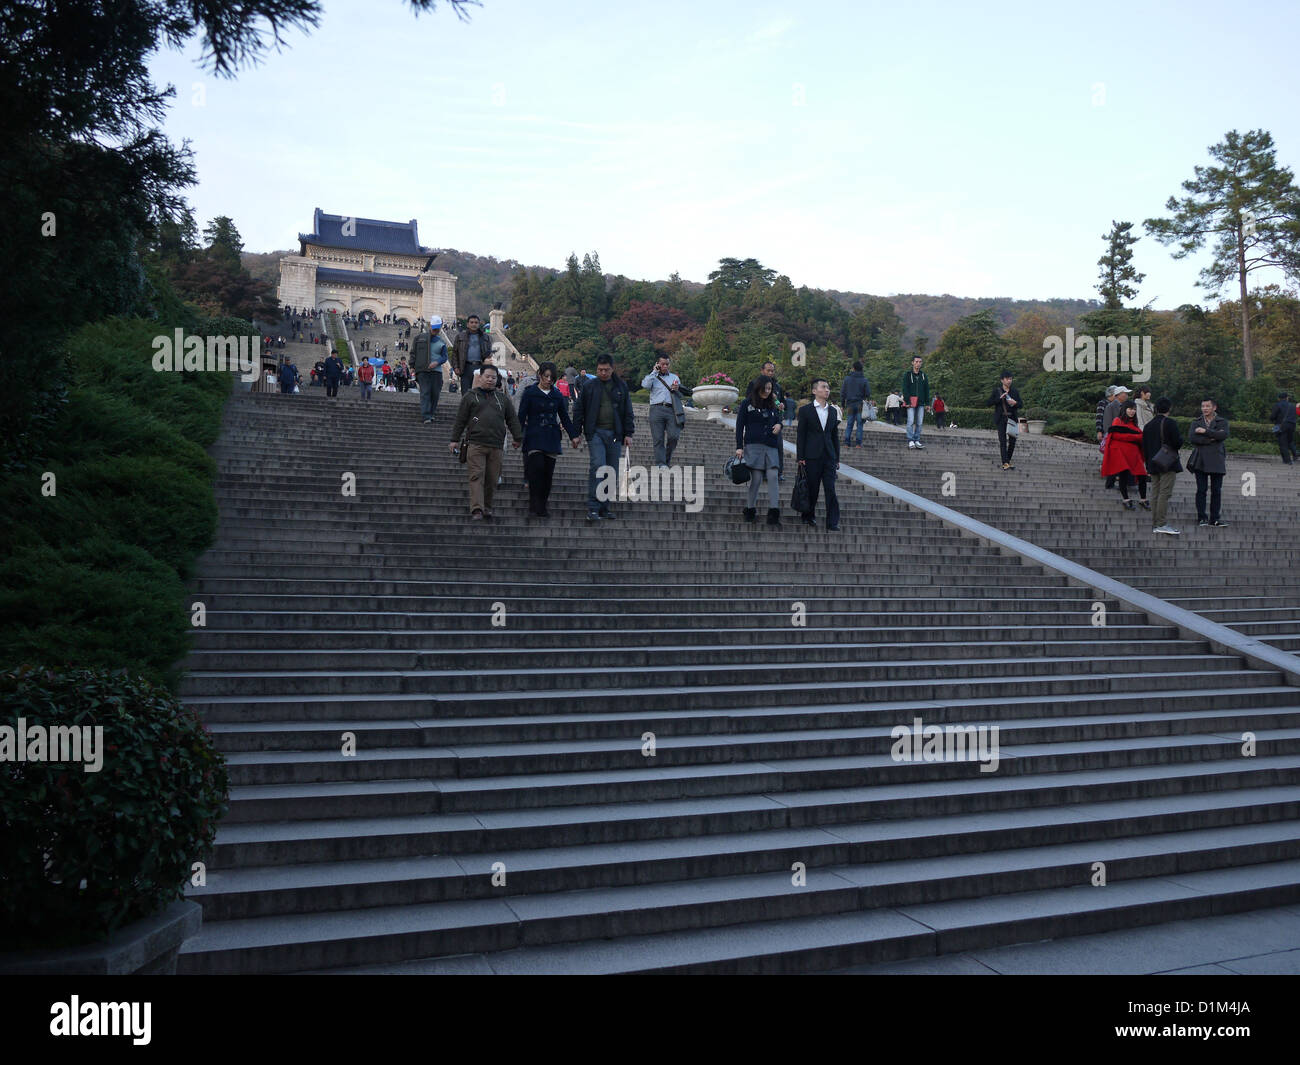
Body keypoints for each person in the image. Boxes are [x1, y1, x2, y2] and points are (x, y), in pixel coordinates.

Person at [447, 364, 522, 521]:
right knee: (476, 476)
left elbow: (512, 419)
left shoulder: (502, 399)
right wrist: (454, 440)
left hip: (496, 444)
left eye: (493, 377)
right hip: (476, 443)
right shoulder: (470, 396)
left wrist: (517, 437)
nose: (490, 379)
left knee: (492, 479)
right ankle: (477, 509)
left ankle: (487, 507)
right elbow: (460, 420)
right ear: (480, 377)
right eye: (487, 376)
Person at [572, 353, 635, 521]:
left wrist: (629, 433)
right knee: (598, 465)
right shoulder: (589, 386)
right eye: (600, 370)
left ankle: (604, 506)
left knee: (611, 471)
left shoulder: (621, 386)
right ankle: (593, 506)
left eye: (606, 370)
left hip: (615, 434)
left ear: (612, 369)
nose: (603, 373)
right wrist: (575, 433)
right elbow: (579, 410)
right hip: (595, 432)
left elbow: (628, 411)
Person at [517, 362, 580, 519]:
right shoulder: (530, 392)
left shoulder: (557, 395)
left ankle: (542, 506)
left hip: (551, 436)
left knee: (547, 475)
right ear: (540, 375)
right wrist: (517, 435)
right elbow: (521, 415)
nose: (548, 380)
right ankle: (533, 505)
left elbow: (564, 417)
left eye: (551, 377)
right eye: (546, 376)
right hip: (534, 435)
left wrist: (573, 435)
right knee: (535, 470)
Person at [735, 374, 784, 525]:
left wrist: (779, 425)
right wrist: (739, 447)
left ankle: (774, 511)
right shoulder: (746, 403)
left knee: (773, 476)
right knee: (755, 479)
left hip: (770, 445)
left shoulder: (773, 404)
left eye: (770, 388)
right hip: (753, 445)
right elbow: (739, 426)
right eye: (766, 388)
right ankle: (750, 509)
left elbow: (777, 419)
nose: (768, 391)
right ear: (758, 387)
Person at [795, 378, 841, 530]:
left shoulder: (833, 411)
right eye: (823, 387)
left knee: (831, 489)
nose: (827, 390)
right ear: (815, 391)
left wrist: (837, 458)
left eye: (828, 387)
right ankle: (808, 516)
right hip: (811, 456)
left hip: (829, 456)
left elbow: (834, 436)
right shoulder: (805, 410)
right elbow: (801, 435)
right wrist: (800, 457)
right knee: (812, 488)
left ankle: (832, 522)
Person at [1143, 397, 1183, 535]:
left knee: (1155, 493)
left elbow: (1145, 447)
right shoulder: (1170, 423)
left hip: (1152, 463)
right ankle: (1161, 523)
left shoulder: (1148, 426)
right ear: (1169, 408)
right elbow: (1178, 442)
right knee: (1164, 493)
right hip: (1167, 463)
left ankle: (1155, 523)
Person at [1187, 397, 1229, 527]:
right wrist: (1210, 439)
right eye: (1203, 406)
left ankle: (1215, 518)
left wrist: (1205, 431)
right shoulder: (1196, 422)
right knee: (1201, 490)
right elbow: (1192, 438)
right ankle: (1202, 517)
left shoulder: (1222, 421)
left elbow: (1223, 435)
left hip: (1217, 459)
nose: (1204, 409)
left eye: (1207, 406)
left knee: (1216, 490)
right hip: (1201, 460)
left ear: (1214, 408)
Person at [1101, 401, 1148, 510]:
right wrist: (1135, 437)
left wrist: (1133, 437)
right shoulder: (1117, 420)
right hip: (1121, 453)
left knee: (1142, 475)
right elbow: (1115, 435)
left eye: (1134, 409)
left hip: (1133, 453)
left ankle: (1143, 499)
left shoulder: (1134, 423)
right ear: (1125, 409)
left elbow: (1140, 437)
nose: (1132, 411)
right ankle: (1126, 499)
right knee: (1123, 475)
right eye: (1130, 409)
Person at [642, 354, 684, 467]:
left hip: (671, 409)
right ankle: (661, 463)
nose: (665, 366)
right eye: (663, 364)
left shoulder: (674, 377)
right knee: (658, 438)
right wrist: (654, 372)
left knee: (674, 436)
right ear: (658, 364)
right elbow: (645, 385)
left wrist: (677, 389)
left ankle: (666, 458)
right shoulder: (652, 377)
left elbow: (681, 395)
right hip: (656, 409)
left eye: (667, 364)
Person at [409, 316, 448, 423]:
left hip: (437, 371)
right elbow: (413, 353)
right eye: (433, 328)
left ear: (440, 327)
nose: (435, 330)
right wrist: (412, 366)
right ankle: (426, 416)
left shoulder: (441, 342)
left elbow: (445, 357)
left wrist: (437, 362)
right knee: (425, 392)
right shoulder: (419, 338)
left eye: (437, 328)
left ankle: (431, 413)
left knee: (435, 394)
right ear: (430, 326)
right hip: (423, 370)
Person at [988, 371, 1021, 470]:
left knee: (1012, 441)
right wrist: (999, 399)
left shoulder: (1015, 391)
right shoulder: (997, 391)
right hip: (1001, 418)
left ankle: (1008, 460)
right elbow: (988, 403)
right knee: (1002, 441)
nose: (1009, 381)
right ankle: (1005, 462)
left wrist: (1015, 403)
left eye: (1010, 379)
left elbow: (1021, 404)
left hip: (1012, 418)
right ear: (1002, 380)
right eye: (1007, 379)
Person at [450, 313, 490, 396]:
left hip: (480, 367)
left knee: (479, 393)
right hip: (465, 367)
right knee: (465, 394)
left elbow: (489, 353)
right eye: (471, 322)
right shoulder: (460, 336)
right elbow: (455, 353)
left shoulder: (485, 337)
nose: (474, 324)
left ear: (479, 324)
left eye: (476, 322)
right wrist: (456, 367)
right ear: (467, 324)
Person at [1101, 384, 1131, 488]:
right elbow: (1107, 423)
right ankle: (1111, 482)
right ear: (1118, 395)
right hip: (1115, 438)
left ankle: (1117, 482)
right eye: (1125, 393)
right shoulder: (1112, 406)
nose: (1127, 395)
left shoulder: (1124, 406)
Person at [901, 356, 930, 448]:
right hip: (911, 402)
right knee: (910, 421)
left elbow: (927, 390)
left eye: (920, 362)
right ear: (912, 363)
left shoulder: (923, 375)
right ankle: (910, 440)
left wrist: (927, 403)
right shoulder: (907, 374)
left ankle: (917, 439)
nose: (918, 363)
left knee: (919, 422)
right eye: (916, 361)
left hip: (921, 402)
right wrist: (907, 400)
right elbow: (905, 388)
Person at [841, 361, 870, 448]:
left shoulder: (847, 379)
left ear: (853, 368)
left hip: (850, 404)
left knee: (849, 424)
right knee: (859, 424)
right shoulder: (864, 380)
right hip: (860, 404)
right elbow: (868, 393)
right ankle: (858, 444)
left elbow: (843, 393)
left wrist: (842, 405)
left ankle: (846, 443)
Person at [1270, 390, 1297, 465]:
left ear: (1279, 398)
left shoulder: (1277, 405)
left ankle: (1287, 460)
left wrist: (1273, 421)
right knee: (1290, 441)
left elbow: (1272, 416)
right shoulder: (1292, 406)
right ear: (1287, 398)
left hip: (1282, 426)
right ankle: (1295, 455)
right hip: (1292, 426)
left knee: (1283, 443)